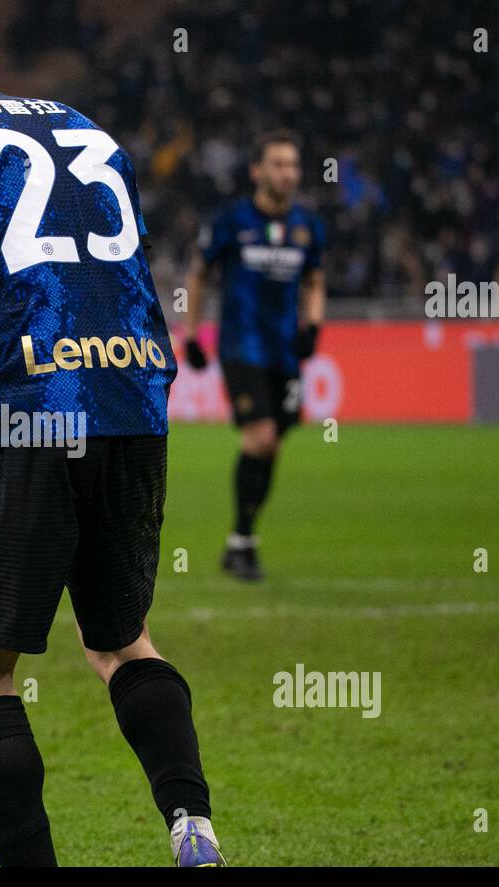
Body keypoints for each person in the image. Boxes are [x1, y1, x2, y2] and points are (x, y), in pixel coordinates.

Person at [0, 25, 223, 866]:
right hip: (134, 398)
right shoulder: (86, 125)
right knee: (120, 639)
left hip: (25, 407)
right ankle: (191, 824)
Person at [182, 130, 327, 581]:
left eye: (293, 165)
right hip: (241, 346)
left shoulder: (307, 226)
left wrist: (313, 326)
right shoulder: (231, 222)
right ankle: (243, 543)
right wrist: (191, 334)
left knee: (272, 446)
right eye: (279, 164)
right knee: (260, 438)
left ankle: (240, 541)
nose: (288, 173)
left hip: (285, 350)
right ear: (256, 171)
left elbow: (315, 281)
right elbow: (199, 276)